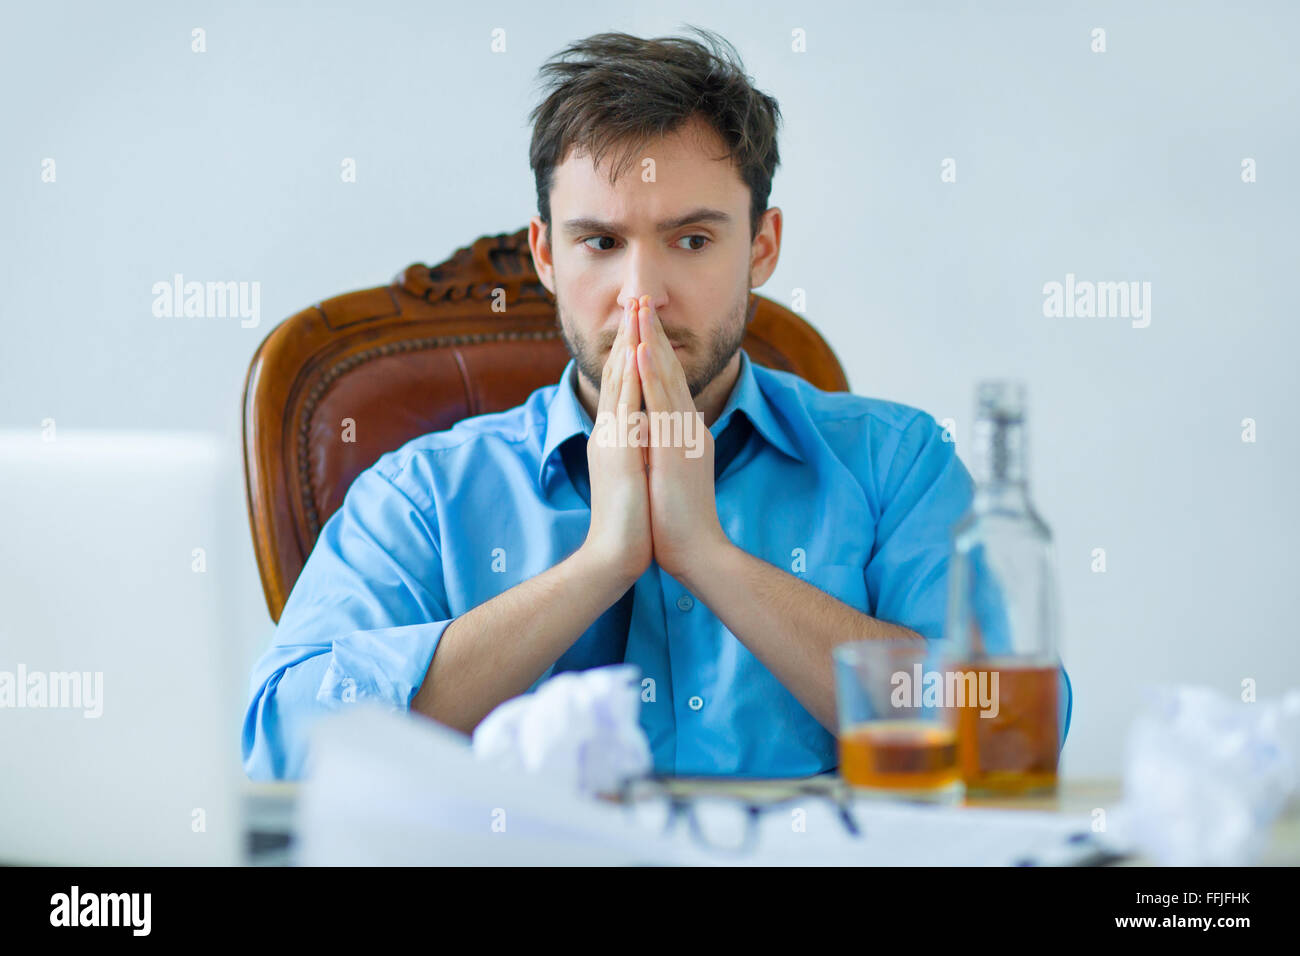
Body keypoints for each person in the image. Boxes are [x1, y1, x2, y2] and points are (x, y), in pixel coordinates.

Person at [242, 27, 1072, 780]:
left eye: (693, 241)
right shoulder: (422, 494)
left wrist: (707, 555)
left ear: (763, 247)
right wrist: (600, 563)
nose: (643, 296)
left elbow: (1009, 730)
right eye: (600, 243)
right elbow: (285, 747)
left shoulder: (897, 464)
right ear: (544, 256)